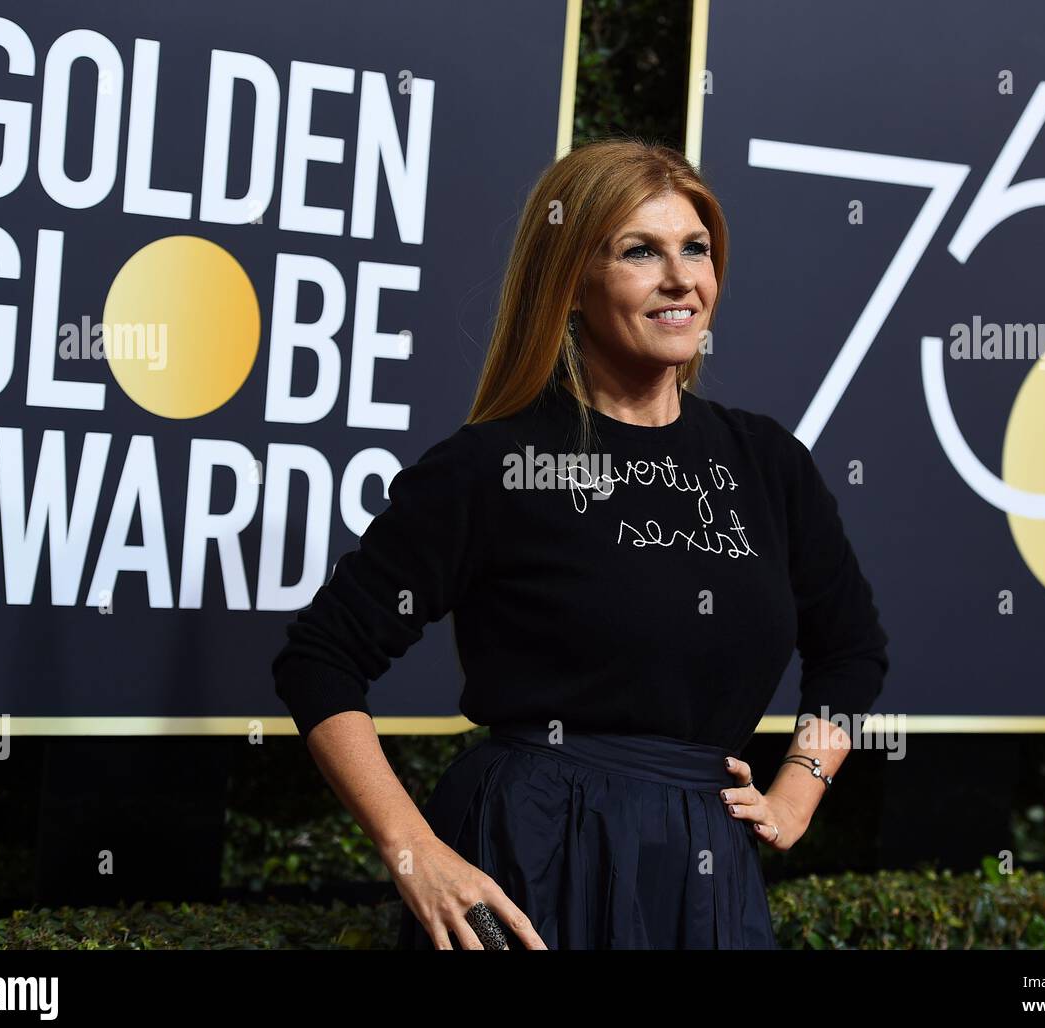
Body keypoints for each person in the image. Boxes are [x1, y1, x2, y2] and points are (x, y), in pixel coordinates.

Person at [271, 137, 889, 950]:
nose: (681, 279)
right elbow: (319, 658)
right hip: (531, 852)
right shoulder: (494, 464)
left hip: (704, 867)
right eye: (641, 252)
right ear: (570, 283)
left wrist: (796, 794)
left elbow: (853, 649)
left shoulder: (766, 462)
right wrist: (414, 851)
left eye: (695, 249)